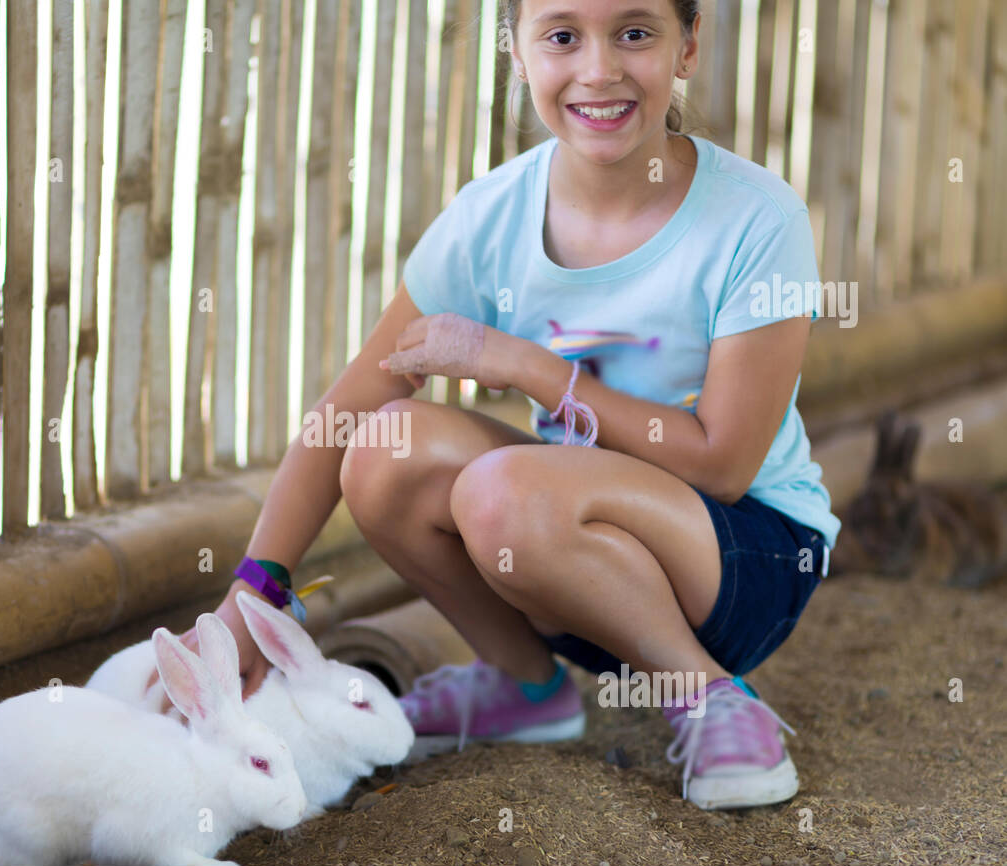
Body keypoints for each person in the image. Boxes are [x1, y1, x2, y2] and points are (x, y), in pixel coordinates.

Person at [155, 0, 839, 811]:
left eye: (634, 32)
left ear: (687, 46)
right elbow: (345, 411)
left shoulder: (757, 217)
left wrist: (530, 368)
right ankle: (525, 686)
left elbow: (724, 466)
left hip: (742, 562)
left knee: (505, 490)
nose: (598, 69)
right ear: (516, 52)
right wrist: (253, 591)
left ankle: (713, 697)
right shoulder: (490, 218)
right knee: (383, 448)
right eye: (561, 36)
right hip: (565, 565)